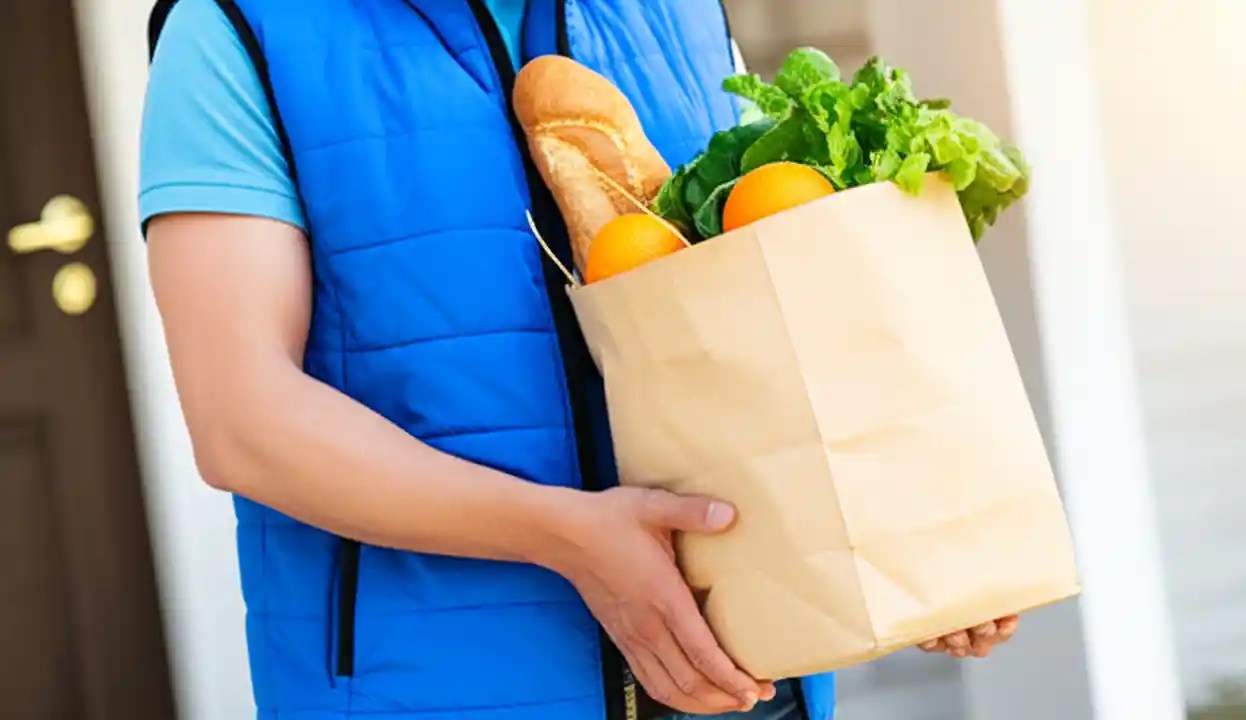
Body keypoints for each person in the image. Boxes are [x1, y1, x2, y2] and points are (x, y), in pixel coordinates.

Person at [140, 1, 1019, 719]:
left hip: (741, 665)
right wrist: (571, 539)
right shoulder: (237, 29)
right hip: (432, 684)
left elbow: (775, 318)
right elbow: (244, 420)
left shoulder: (677, 12)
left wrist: (913, 520)